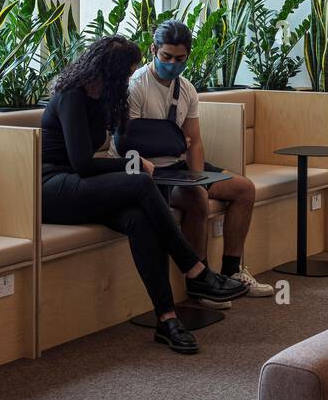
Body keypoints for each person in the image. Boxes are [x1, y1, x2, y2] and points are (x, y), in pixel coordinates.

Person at [40, 35, 247, 354]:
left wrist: (133, 164)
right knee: (140, 182)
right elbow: (82, 163)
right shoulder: (72, 98)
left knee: (139, 219)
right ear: (109, 71)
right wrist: (133, 165)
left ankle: (167, 320)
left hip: (80, 188)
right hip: (53, 188)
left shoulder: (101, 100)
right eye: (124, 74)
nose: (127, 80)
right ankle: (196, 269)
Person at [118, 20, 274, 301]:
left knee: (244, 189)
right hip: (149, 170)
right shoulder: (136, 87)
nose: (172, 63)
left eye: (180, 59)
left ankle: (231, 271)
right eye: (166, 57)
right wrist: (176, 153)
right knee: (198, 201)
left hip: (178, 167)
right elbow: (128, 143)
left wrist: (197, 178)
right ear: (153, 50)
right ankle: (201, 281)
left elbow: (195, 141)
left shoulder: (187, 89)